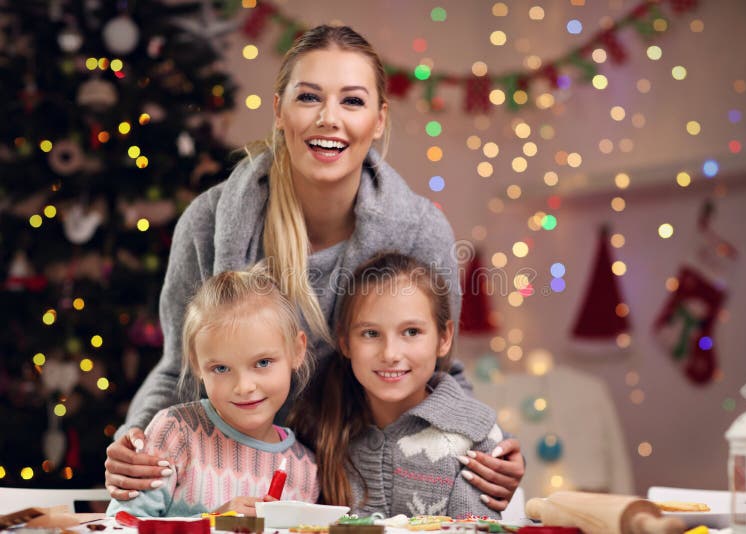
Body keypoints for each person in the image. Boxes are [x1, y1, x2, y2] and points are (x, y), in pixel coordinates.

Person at [104, 24, 523, 510]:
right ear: (279, 110)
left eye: (352, 101)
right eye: (309, 98)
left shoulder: (420, 230)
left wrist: (490, 446)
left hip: (356, 474)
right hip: (227, 469)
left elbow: (437, 369)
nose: (329, 119)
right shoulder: (209, 222)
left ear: (379, 119)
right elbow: (179, 365)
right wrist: (136, 445)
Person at [290, 252, 501, 519]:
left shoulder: (474, 435)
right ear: (345, 342)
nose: (390, 354)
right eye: (371, 333)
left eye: (411, 332)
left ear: (444, 338)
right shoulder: (319, 427)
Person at [107, 265, 319, 517]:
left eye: (262, 363)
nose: (244, 387)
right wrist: (212, 525)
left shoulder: (306, 469)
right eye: (221, 368)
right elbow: (121, 525)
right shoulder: (175, 434)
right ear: (197, 364)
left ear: (297, 351)